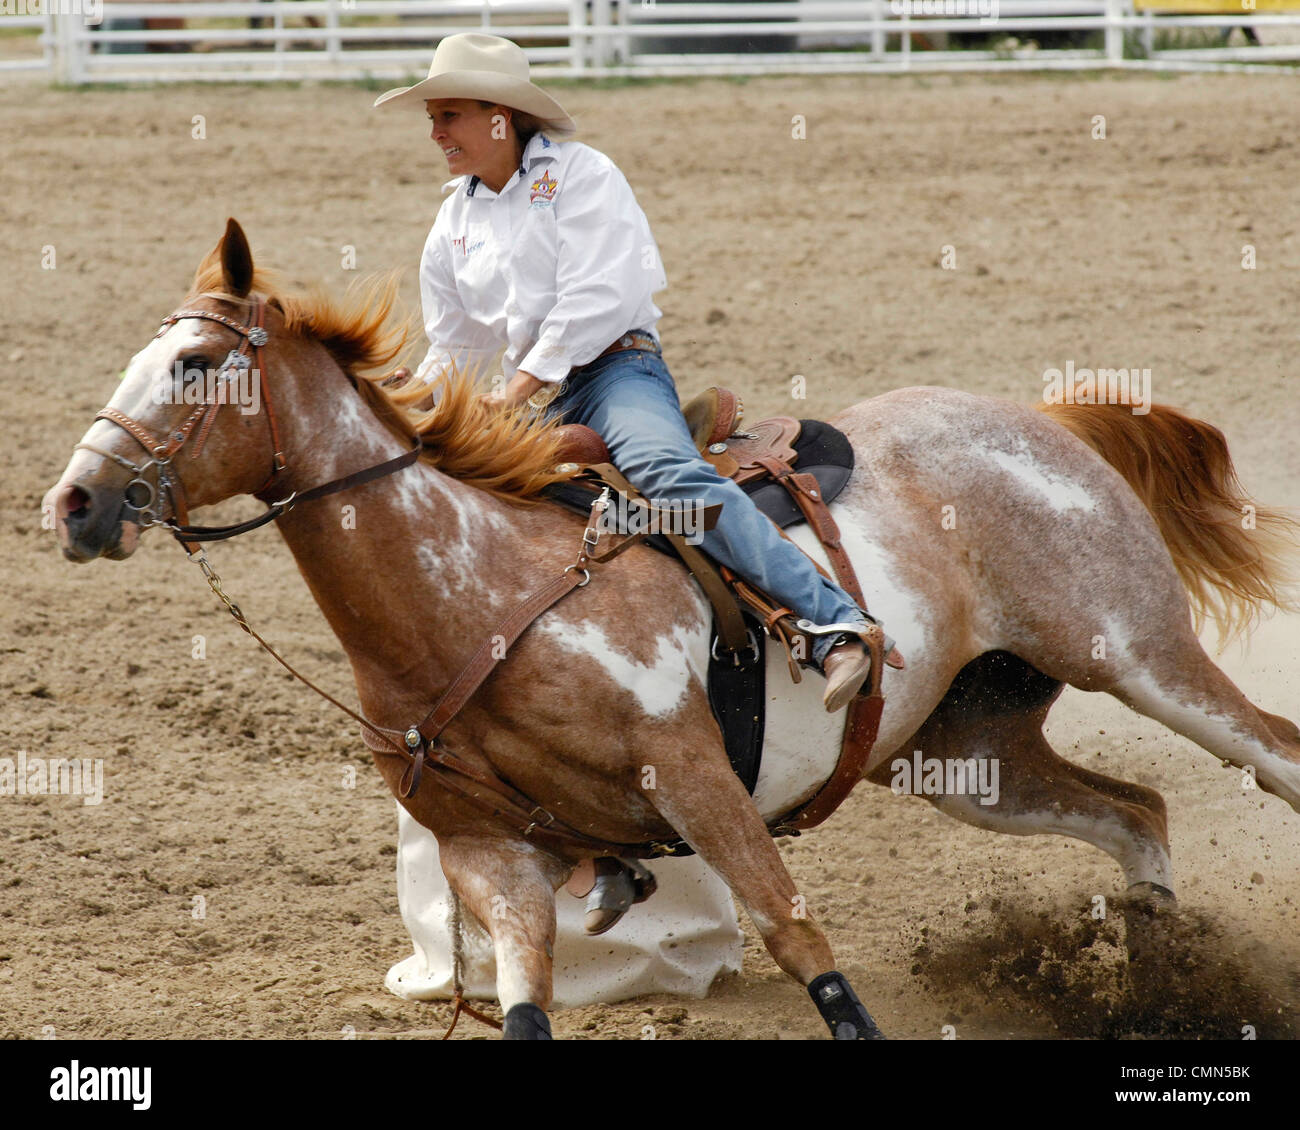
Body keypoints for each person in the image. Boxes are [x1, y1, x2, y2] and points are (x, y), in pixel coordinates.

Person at [373, 33, 899, 951]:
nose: (436, 133)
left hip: (613, 375)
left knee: (664, 475)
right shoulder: (451, 221)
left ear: (500, 117)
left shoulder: (579, 175)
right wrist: (419, 420)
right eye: (432, 118)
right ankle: (580, 845)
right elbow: (451, 346)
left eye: (447, 115)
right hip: (523, 398)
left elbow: (599, 297)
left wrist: (511, 394)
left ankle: (831, 622)